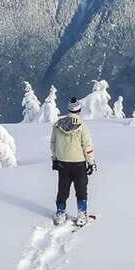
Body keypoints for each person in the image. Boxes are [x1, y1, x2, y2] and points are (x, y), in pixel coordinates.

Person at [51, 97, 97, 226]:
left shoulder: (57, 125)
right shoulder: (82, 126)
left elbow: (53, 144)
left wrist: (55, 159)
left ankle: (60, 213)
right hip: (78, 163)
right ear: (79, 109)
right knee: (81, 189)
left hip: (62, 163)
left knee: (63, 189)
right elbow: (87, 147)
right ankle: (82, 215)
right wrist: (91, 163)